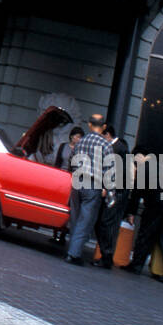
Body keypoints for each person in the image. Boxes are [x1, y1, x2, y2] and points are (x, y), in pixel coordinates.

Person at [121, 150, 163, 284]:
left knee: (144, 237)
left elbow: (136, 194)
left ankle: (136, 266)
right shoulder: (161, 167)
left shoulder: (143, 169)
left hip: (155, 208)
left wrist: (131, 213)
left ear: (140, 157)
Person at [64, 114, 111, 266]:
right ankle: (73, 254)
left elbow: (71, 160)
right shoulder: (106, 145)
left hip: (77, 181)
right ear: (103, 127)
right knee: (85, 221)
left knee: (76, 218)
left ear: (90, 125)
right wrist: (108, 190)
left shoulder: (81, 142)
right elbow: (109, 170)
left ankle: (72, 250)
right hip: (93, 185)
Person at [93, 123, 129, 268]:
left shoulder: (118, 149)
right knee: (103, 224)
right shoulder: (119, 148)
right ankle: (106, 255)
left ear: (107, 135)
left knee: (105, 224)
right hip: (114, 192)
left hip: (115, 193)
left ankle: (106, 256)